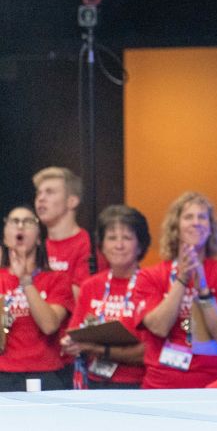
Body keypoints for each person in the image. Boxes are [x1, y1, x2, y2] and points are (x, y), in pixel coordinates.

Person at [133, 191, 217, 388]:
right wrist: (182, 280)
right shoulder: (149, 276)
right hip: (162, 384)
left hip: (216, 384)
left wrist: (202, 288)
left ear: (210, 228)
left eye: (202, 217)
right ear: (175, 227)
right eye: (188, 217)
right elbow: (159, 327)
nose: (196, 222)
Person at [61, 205, 150, 389]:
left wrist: (97, 349)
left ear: (140, 244)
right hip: (94, 382)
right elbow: (75, 333)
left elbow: (148, 352)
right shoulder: (91, 285)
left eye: (127, 238)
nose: (119, 245)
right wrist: (69, 343)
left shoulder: (151, 284)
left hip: (137, 385)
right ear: (101, 245)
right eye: (111, 238)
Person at [0, 206, 74, 391]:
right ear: (5, 236)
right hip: (4, 373)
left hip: (45, 374)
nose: (20, 226)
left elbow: (49, 325)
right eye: (14, 221)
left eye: (28, 222)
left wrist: (26, 281)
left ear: (40, 238)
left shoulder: (57, 279)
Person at [34, 166, 102, 300]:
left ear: (72, 201)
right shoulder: (36, 247)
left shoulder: (87, 245)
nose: (41, 198)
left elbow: (82, 301)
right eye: (38, 193)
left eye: (50, 192)